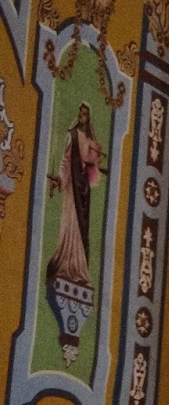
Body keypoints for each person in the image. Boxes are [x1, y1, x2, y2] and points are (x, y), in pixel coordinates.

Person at [46, 102, 106, 290]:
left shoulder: (90, 142)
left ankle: (78, 268)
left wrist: (95, 162)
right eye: (81, 112)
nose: (82, 116)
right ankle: (65, 265)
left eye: (85, 114)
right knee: (69, 224)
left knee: (82, 229)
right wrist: (59, 180)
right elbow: (65, 162)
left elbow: (93, 171)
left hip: (83, 192)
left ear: (88, 118)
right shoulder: (72, 136)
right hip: (72, 189)